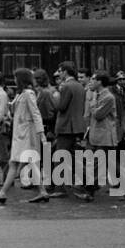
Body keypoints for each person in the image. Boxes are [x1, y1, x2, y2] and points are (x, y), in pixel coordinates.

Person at [0, 68, 51, 204]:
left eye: (16, 77)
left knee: (15, 163)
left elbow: (35, 113)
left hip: (26, 134)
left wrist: (41, 133)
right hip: (21, 134)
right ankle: (42, 191)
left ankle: (3, 192)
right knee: (29, 163)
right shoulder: (21, 94)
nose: (14, 80)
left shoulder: (28, 94)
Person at [51, 62, 87, 195]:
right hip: (77, 125)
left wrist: (55, 96)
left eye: (60, 71)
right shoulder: (79, 86)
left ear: (65, 72)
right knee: (74, 156)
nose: (59, 74)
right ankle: (86, 182)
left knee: (60, 156)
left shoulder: (66, 86)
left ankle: (59, 189)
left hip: (66, 126)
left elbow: (61, 106)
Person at [82, 72, 119, 200]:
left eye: (93, 79)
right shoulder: (96, 95)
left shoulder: (108, 97)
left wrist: (91, 101)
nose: (90, 82)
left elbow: (98, 115)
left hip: (105, 137)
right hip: (96, 136)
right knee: (108, 165)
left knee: (97, 165)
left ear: (100, 82)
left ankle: (89, 191)